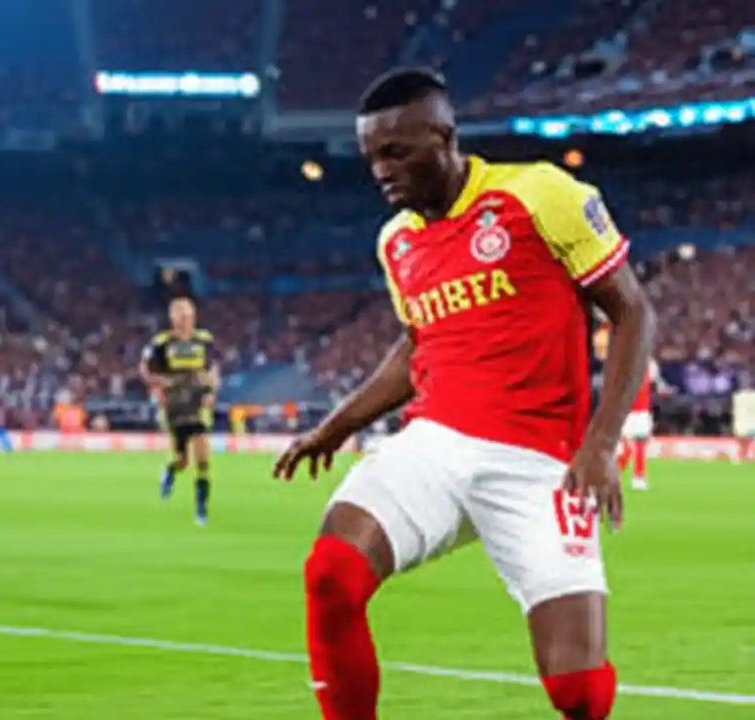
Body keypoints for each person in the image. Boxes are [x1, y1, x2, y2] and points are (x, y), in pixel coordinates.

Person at [273, 68, 655, 720]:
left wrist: (600, 444)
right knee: (332, 575)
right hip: (435, 446)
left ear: (444, 137)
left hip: (540, 460)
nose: (381, 171)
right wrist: (336, 425)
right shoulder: (396, 242)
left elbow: (634, 313)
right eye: (372, 157)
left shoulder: (539, 193)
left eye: (396, 152)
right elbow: (418, 345)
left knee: (581, 695)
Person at [139, 296, 219, 526]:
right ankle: (171, 470)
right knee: (182, 459)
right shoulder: (162, 343)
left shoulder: (204, 340)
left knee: (203, 459)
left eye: (188, 316)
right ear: (172, 318)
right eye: (180, 317)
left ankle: (201, 509)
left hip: (198, 402)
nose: (185, 321)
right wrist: (160, 383)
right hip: (175, 405)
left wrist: (212, 390)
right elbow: (145, 369)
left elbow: (213, 368)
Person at [595, 320, 660, 490]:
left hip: (635, 408)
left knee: (634, 445)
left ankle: (634, 475)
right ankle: (620, 476)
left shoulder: (634, 361)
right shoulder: (628, 361)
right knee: (628, 446)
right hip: (629, 409)